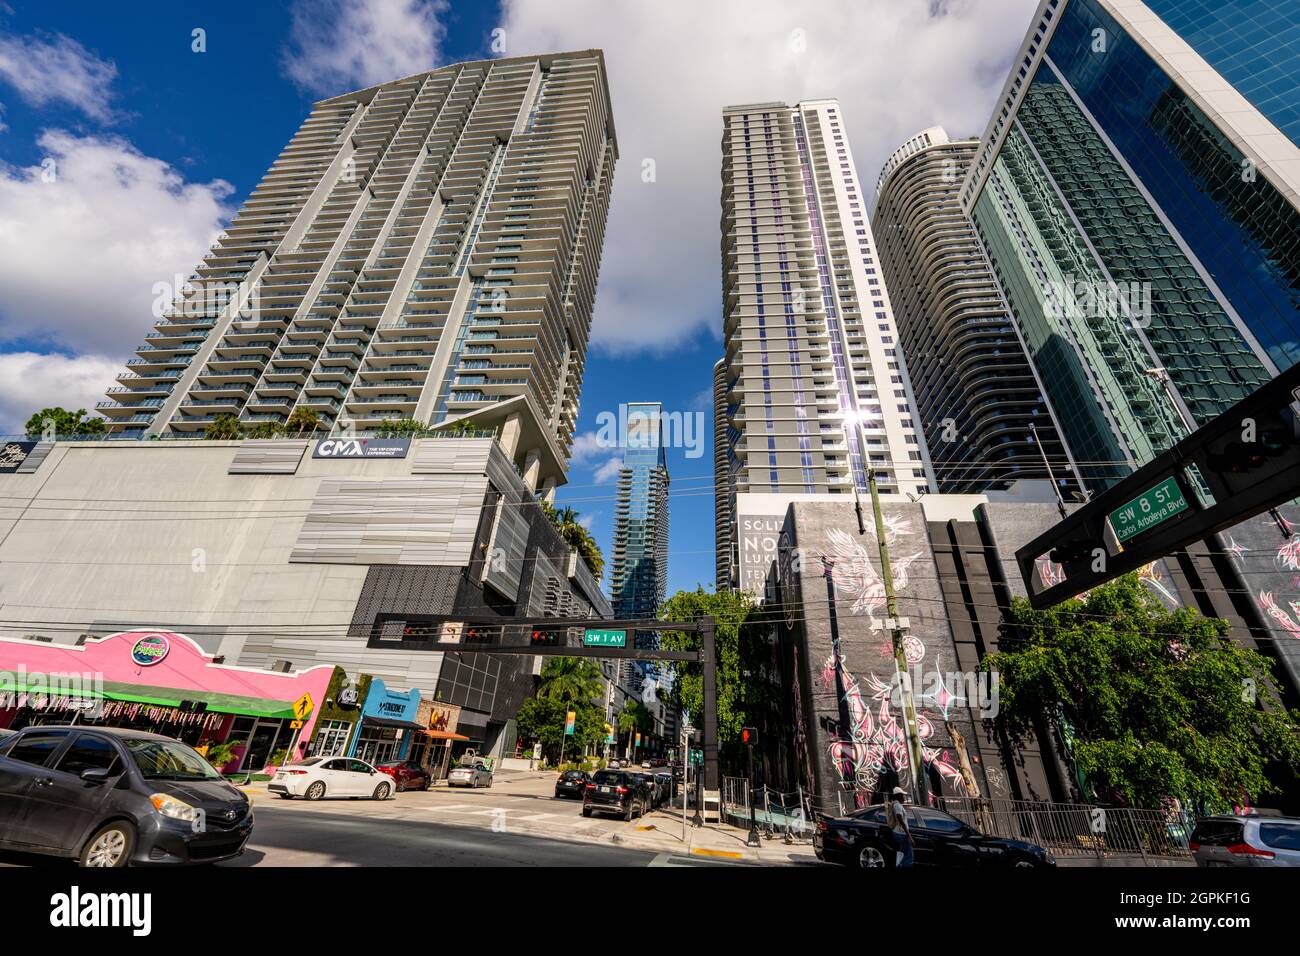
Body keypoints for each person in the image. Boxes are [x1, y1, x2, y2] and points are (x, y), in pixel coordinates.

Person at [885, 786, 914, 868]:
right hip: (901, 833)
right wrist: (909, 836)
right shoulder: (897, 805)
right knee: (908, 854)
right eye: (902, 795)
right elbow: (901, 821)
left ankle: (900, 865)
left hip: (898, 832)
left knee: (902, 853)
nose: (904, 797)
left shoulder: (895, 804)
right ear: (899, 796)